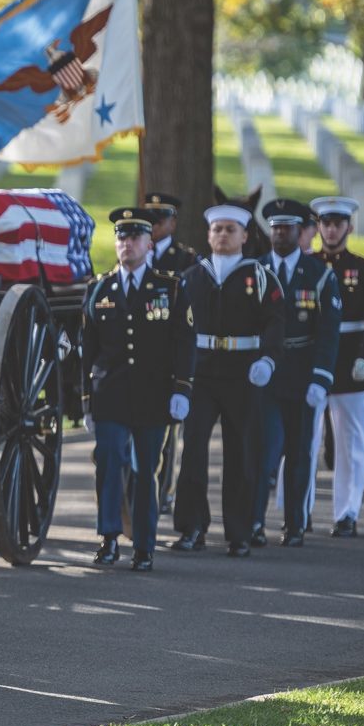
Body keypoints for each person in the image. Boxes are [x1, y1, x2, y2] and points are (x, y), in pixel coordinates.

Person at [80, 208, 195, 571]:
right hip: (110, 395)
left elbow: (184, 343)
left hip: (153, 395)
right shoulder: (99, 288)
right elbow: (88, 351)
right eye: (121, 237)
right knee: (109, 463)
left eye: (134, 238)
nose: (126, 244)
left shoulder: (170, 287)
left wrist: (181, 389)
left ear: (149, 243)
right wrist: (86, 401)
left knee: (147, 470)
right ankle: (110, 538)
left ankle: (144, 545)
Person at [170, 204, 284, 557]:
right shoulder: (191, 276)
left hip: (241, 373)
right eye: (217, 229)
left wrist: (267, 357)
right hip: (201, 374)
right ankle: (191, 527)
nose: (222, 235)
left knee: (242, 453)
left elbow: (276, 321)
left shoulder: (260, 276)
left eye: (230, 229)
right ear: (207, 235)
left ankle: (239, 531)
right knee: (193, 452)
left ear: (245, 236)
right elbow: (178, 329)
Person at [250, 198, 341, 548]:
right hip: (267, 377)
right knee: (264, 451)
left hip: (302, 377)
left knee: (301, 455)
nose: (280, 234)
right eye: (275, 228)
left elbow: (328, 333)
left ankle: (294, 525)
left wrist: (320, 378)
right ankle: (256, 521)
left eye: (287, 228)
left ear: (301, 232)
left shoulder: (318, 274)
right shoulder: (255, 270)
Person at [312, 195, 364, 538]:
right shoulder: (307, 265)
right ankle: (297, 511)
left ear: (349, 227)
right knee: (301, 441)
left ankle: (347, 513)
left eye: (337, 224)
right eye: (325, 223)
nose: (331, 230)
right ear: (318, 227)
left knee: (350, 442)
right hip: (312, 362)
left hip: (349, 363)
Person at [142, 191, 199, 513]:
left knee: (169, 439)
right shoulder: (136, 254)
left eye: (159, 219)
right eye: (148, 219)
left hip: (169, 357)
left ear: (173, 222)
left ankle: (164, 492)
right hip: (139, 357)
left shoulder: (187, 261)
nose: (153, 226)